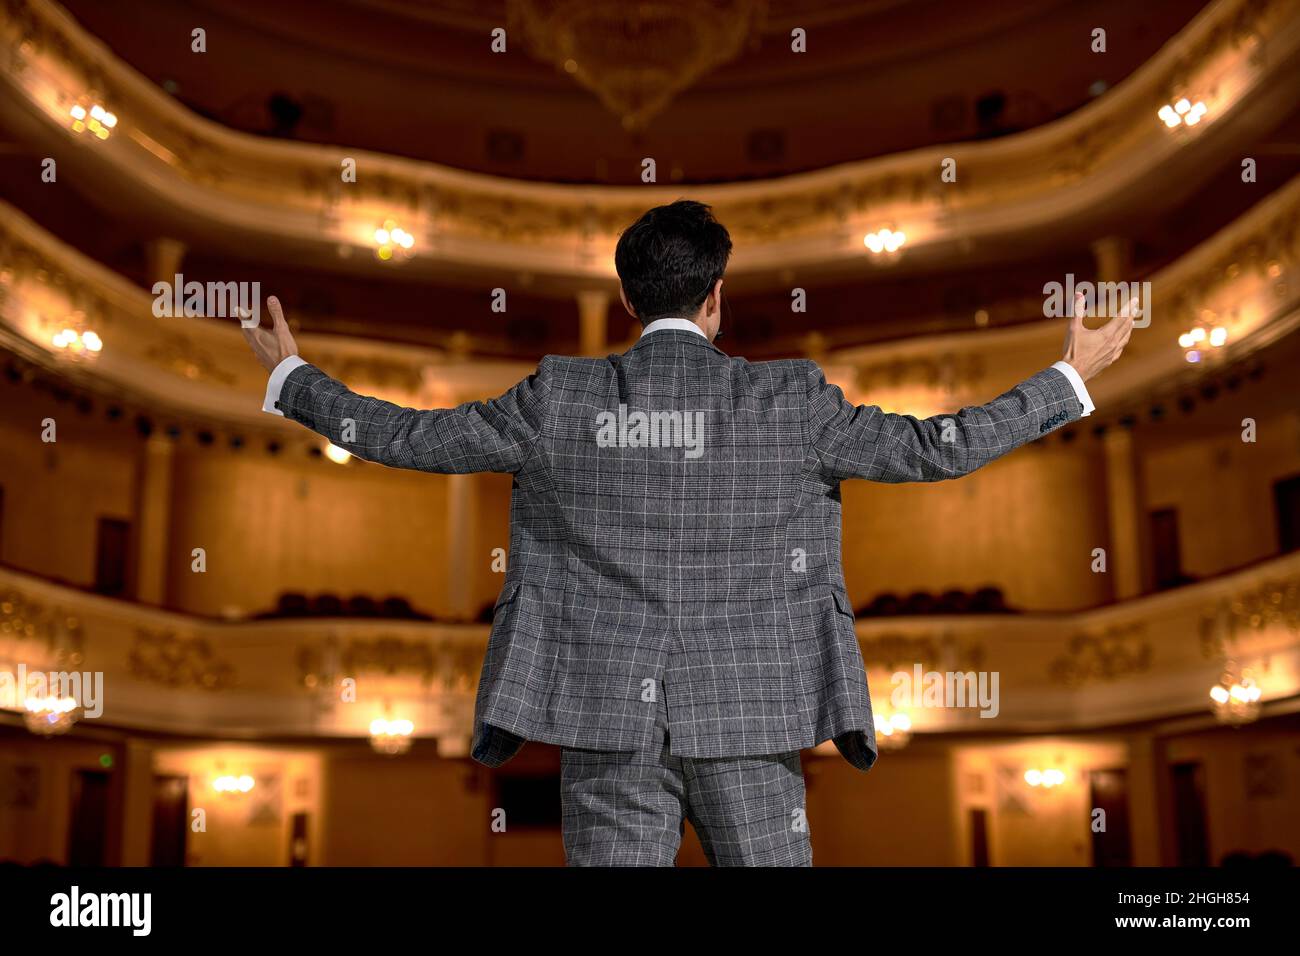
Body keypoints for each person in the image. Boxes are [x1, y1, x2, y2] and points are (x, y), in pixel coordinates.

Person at [241, 200, 1132, 866]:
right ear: (717, 298)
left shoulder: (559, 396)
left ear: (628, 298)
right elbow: (939, 448)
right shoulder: (790, 402)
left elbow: (407, 438)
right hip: (752, 717)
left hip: (602, 722)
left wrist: (293, 377)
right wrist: (1069, 376)